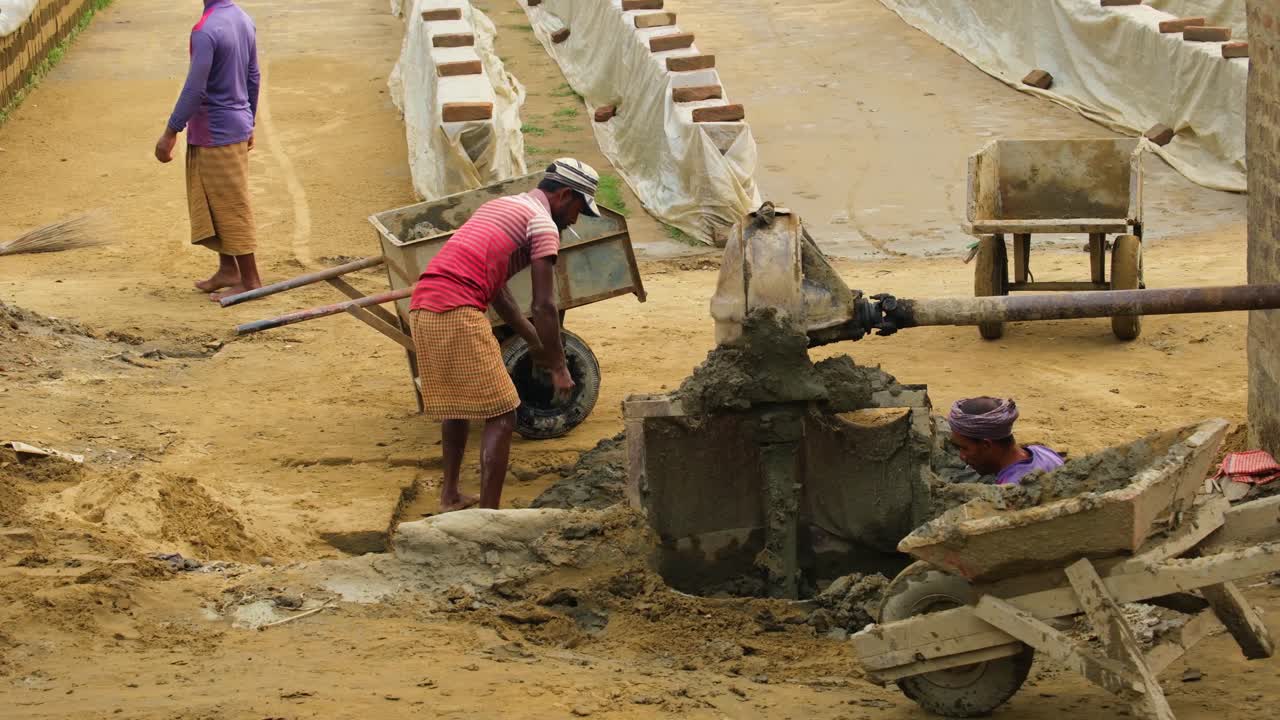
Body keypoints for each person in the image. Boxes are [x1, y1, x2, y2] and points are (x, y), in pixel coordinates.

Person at [409, 158, 600, 512]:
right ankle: (490, 514)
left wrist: (534, 342)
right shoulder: (543, 225)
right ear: (565, 195)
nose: (575, 219)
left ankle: (450, 494)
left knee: (457, 405)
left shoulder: (502, 206)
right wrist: (558, 366)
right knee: (503, 412)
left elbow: (500, 293)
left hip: (424, 307)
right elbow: (544, 305)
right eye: (578, 209)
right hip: (457, 310)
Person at [154, 0, 261, 302]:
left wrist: (170, 131)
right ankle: (228, 270)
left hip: (216, 130)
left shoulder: (205, 30)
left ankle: (251, 280)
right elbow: (254, 76)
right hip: (233, 124)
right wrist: (249, 121)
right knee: (215, 199)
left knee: (230, 203)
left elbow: (194, 88)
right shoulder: (241, 18)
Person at [948, 396, 1064, 485]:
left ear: (986, 445)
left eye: (964, 448)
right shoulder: (1043, 451)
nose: (962, 456)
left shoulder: (1012, 489)